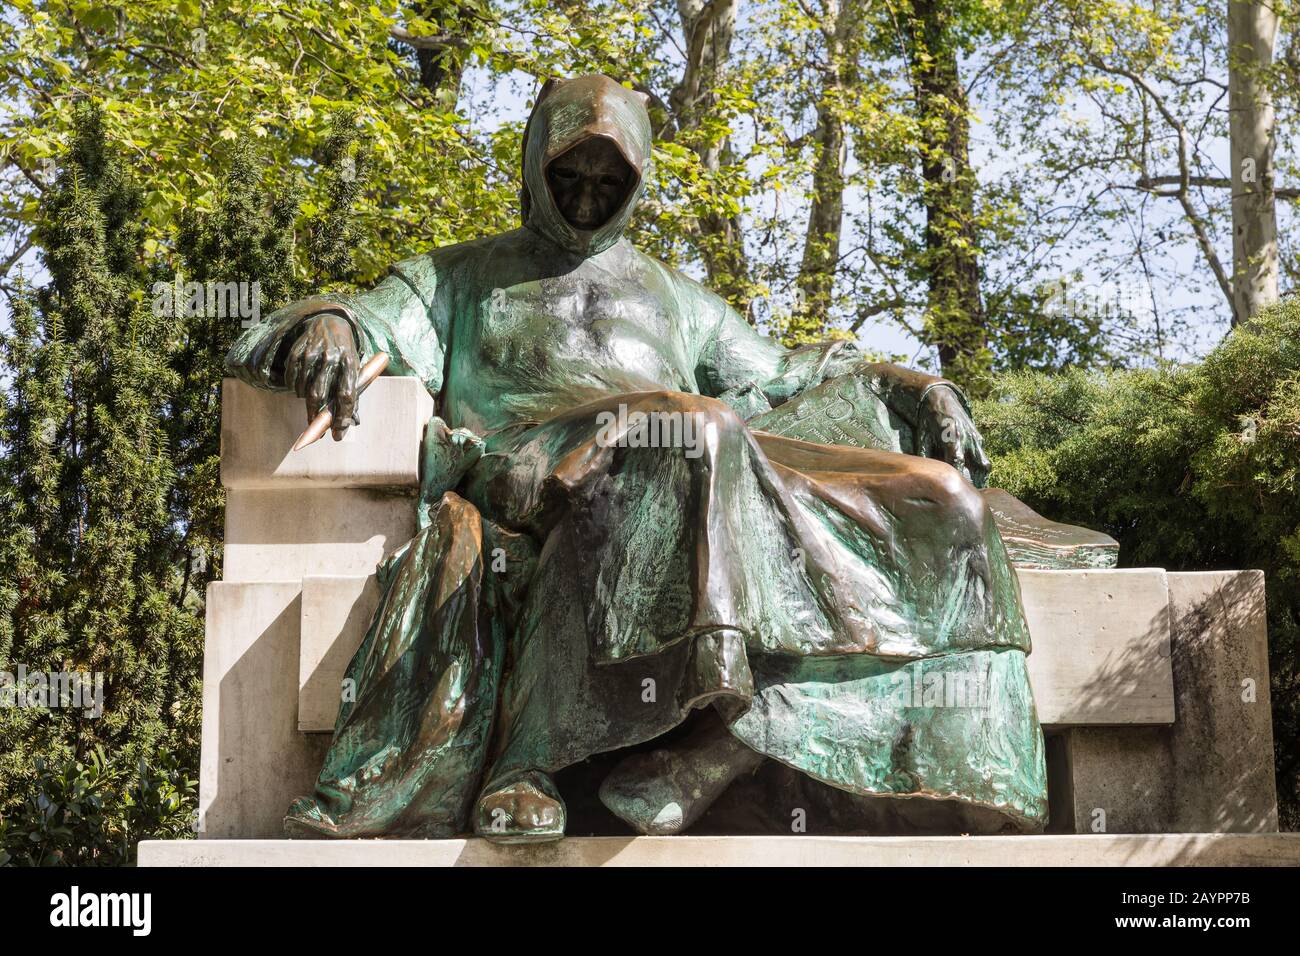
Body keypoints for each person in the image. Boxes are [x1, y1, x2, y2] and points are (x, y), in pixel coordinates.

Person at [227, 74, 1047, 843]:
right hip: (539, 464)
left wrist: (914, 384)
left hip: (694, 460)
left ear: (639, 183)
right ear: (532, 163)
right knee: (693, 427)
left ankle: (722, 750)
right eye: (568, 175)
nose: (585, 198)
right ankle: (583, 744)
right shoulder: (457, 276)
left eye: (607, 182)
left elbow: (790, 372)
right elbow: (361, 323)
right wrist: (329, 322)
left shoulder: (676, 299)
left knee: (943, 501)